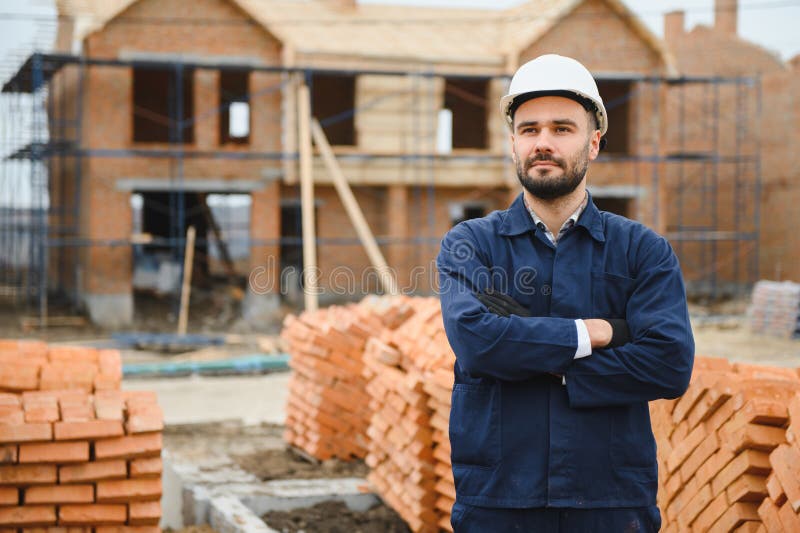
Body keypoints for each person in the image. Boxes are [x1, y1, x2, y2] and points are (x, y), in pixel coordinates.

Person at [436, 54, 694, 532]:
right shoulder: (471, 245)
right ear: (513, 143)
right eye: (529, 129)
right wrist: (593, 333)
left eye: (562, 128)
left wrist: (533, 357)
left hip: (610, 502)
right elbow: (477, 341)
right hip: (499, 499)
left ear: (593, 143)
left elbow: (670, 363)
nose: (544, 143)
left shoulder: (642, 251)